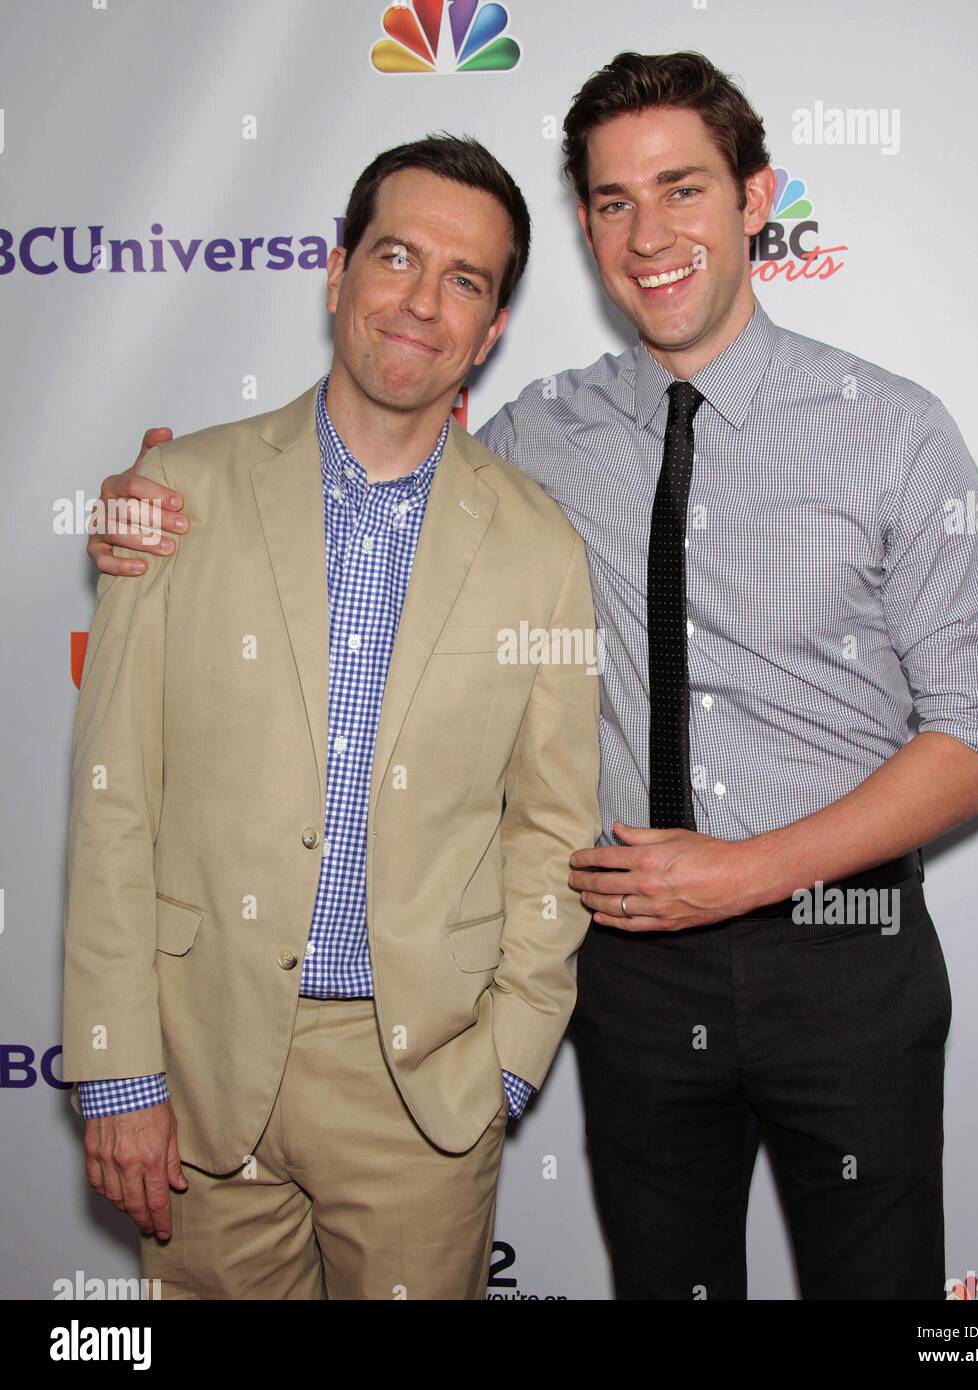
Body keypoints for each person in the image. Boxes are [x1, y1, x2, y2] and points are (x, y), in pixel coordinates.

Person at [84, 53, 978, 1300]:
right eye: (612, 201)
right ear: (583, 228)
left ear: (757, 198)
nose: (649, 234)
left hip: (841, 955)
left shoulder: (896, 430)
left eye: (682, 189)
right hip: (631, 976)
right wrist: (147, 494)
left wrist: (742, 872)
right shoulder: (534, 441)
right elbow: (371, 445)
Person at [62, 135, 601, 1300]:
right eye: (397, 256)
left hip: (422, 1086)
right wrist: (114, 1069)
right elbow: (115, 805)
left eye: (465, 280)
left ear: (493, 327)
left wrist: (505, 1063)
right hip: (199, 1063)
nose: (421, 301)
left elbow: (552, 829)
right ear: (336, 271)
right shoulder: (178, 500)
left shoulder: (541, 550)